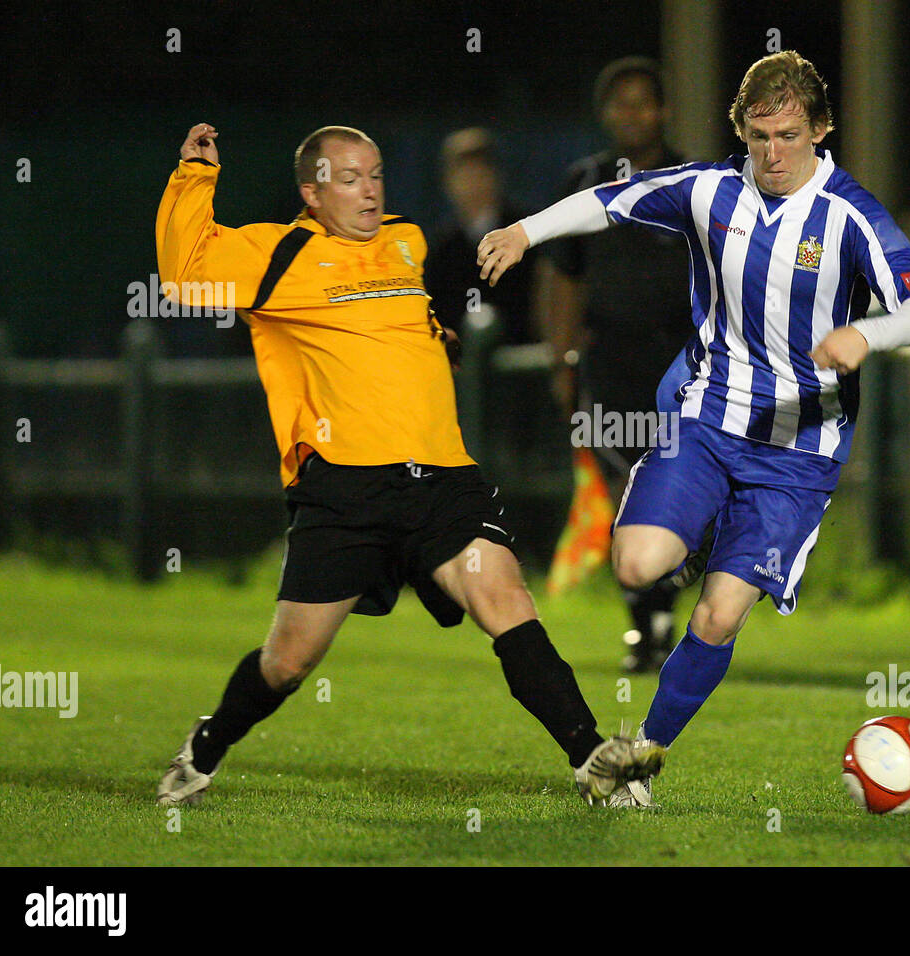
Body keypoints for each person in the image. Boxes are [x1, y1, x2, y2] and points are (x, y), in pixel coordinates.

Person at [479, 51, 910, 804]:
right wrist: (525, 232)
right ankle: (698, 529)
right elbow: (610, 199)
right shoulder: (709, 191)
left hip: (799, 453)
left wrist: (869, 335)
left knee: (721, 613)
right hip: (707, 419)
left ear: (821, 130)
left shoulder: (852, 215)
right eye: (759, 135)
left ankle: (642, 753)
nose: (773, 153)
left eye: (789, 135)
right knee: (635, 565)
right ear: (741, 130)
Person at [154, 123, 665, 808]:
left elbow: (396, 325)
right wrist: (194, 177)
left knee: (506, 600)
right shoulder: (277, 253)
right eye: (349, 178)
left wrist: (435, 340)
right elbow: (184, 274)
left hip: (441, 478)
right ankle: (206, 747)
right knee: (290, 661)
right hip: (344, 490)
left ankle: (591, 756)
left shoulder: (406, 240)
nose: (369, 190)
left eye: (376, 174)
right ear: (312, 191)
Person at [538, 57, 696, 673]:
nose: (632, 114)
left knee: (686, 491)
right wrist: (561, 361)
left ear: (663, 111)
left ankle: (665, 595)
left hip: (685, 364)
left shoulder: (695, 183)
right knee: (625, 491)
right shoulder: (588, 183)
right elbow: (565, 277)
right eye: (619, 103)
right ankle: (646, 619)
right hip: (610, 365)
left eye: (643, 102)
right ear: (606, 114)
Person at [426, 127, 538, 345]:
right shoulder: (442, 248)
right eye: (463, 175)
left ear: (495, 176)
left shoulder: (527, 233)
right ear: (448, 182)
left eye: (479, 173)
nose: (472, 185)